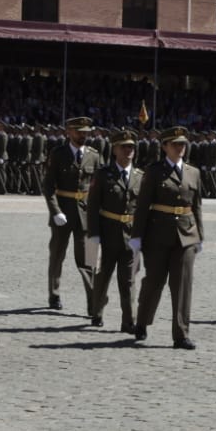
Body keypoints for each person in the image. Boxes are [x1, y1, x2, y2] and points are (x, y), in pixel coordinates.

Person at [133, 125, 204, 349]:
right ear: (165, 147)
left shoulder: (193, 172)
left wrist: (200, 235)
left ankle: (181, 334)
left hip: (186, 235)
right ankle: (142, 321)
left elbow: (197, 206)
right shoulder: (154, 172)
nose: (180, 147)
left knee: (183, 285)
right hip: (158, 235)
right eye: (175, 144)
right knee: (154, 282)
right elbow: (143, 206)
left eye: (183, 143)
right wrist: (137, 236)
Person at [42, 116, 102, 311]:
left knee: (88, 259)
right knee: (57, 255)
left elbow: (99, 188)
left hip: (85, 213)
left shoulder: (94, 155)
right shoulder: (58, 154)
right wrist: (55, 211)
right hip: (63, 211)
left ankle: (93, 301)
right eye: (79, 131)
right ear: (69, 132)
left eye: (85, 132)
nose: (83, 135)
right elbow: (48, 186)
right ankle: (54, 294)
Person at [86, 130, 142, 333]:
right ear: (115, 149)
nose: (128, 151)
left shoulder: (139, 177)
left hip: (130, 236)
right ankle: (97, 312)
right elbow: (92, 207)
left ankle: (129, 321)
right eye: (124, 147)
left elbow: (144, 210)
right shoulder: (103, 175)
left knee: (128, 281)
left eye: (131, 147)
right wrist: (93, 236)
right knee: (102, 277)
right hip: (107, 234)